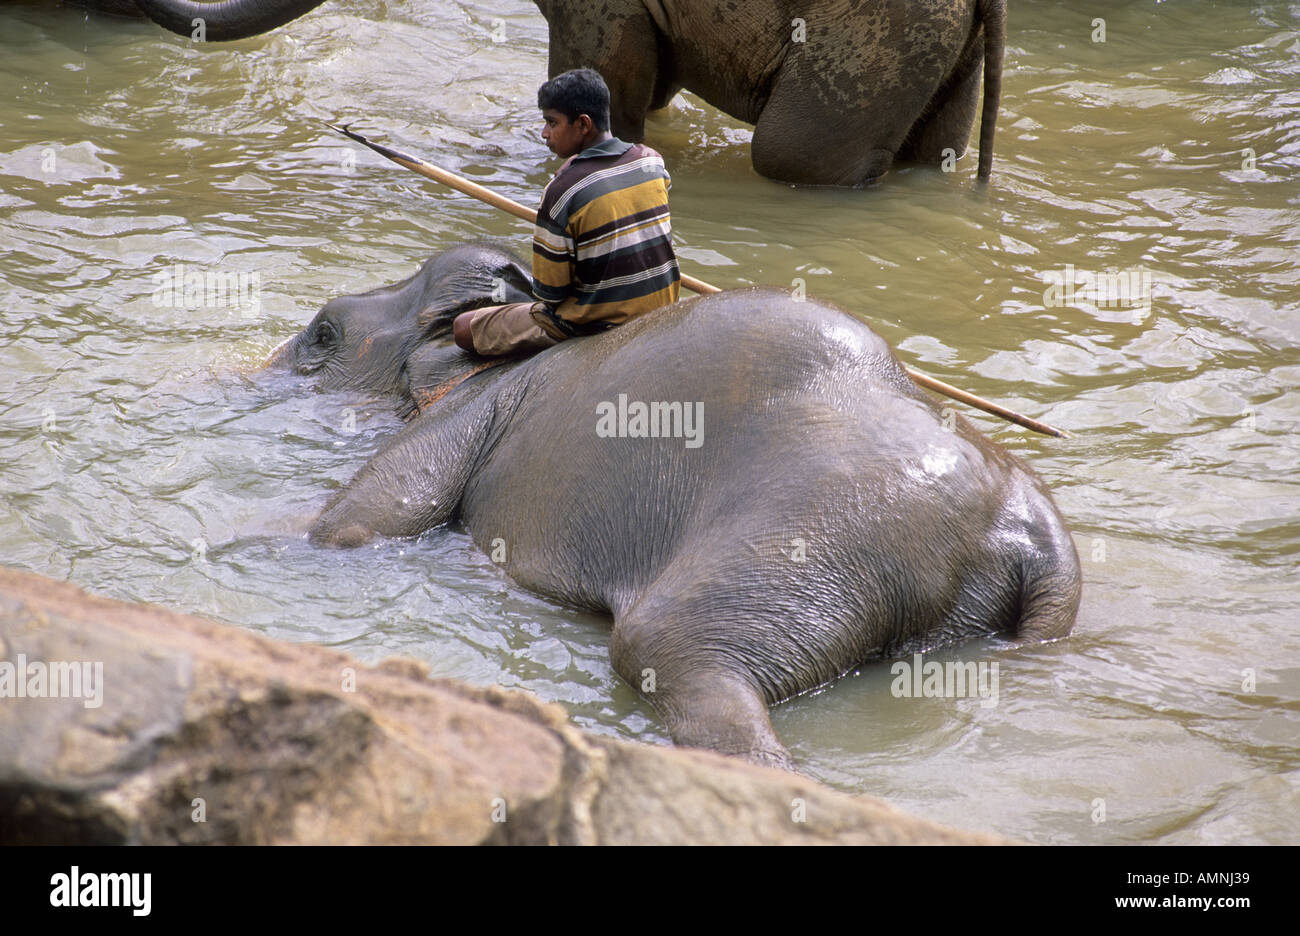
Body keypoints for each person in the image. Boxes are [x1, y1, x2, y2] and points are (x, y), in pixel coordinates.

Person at [453, 68, 680, 358]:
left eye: (552, 122)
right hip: (659, 308)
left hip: (594, 324)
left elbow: (551, 294)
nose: (544, 133)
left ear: (583, 124)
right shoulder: (652, 162)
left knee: (463, 328)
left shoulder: (562, 190)